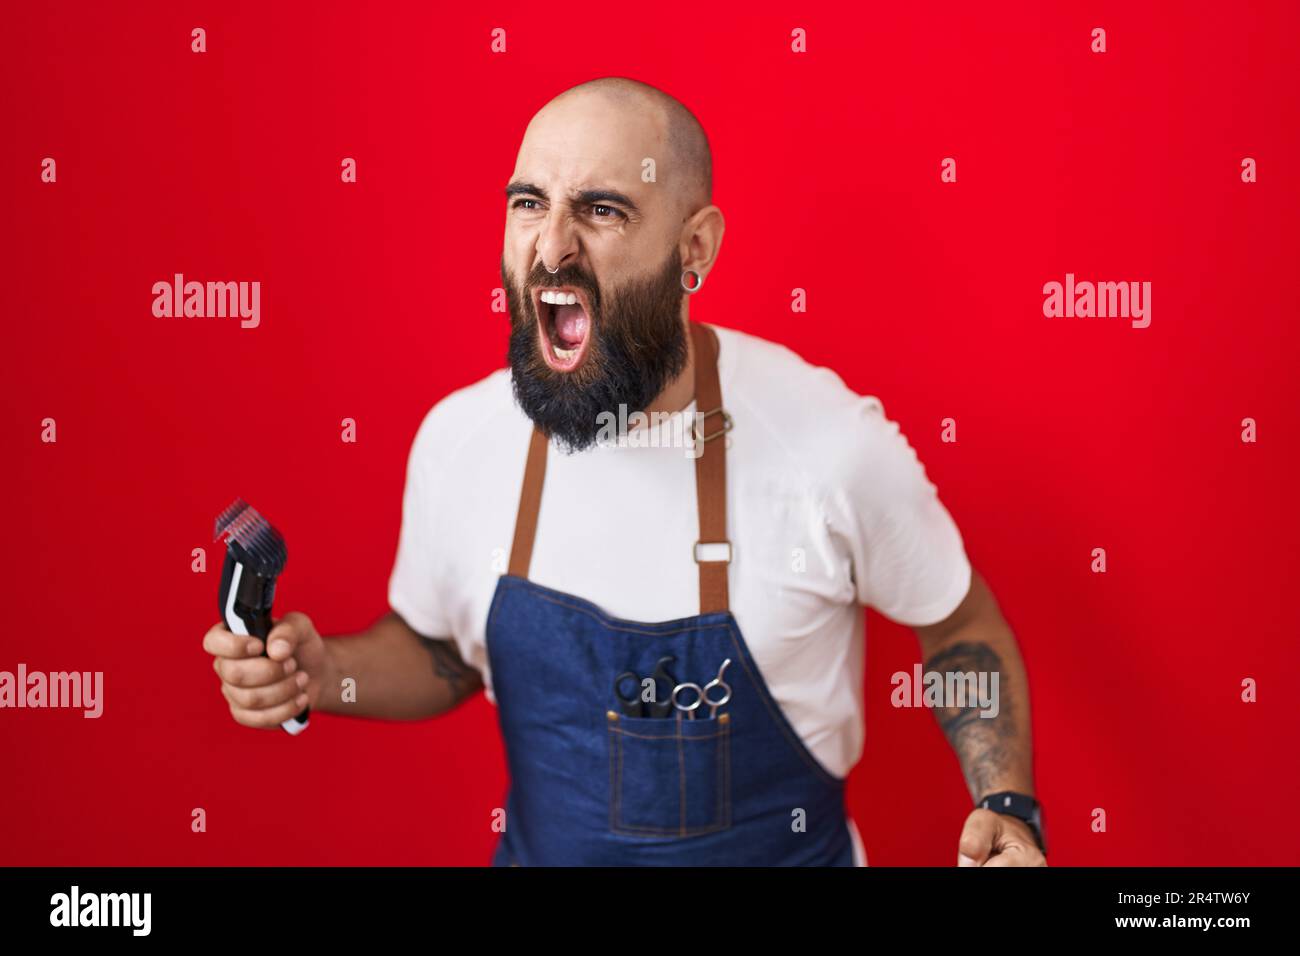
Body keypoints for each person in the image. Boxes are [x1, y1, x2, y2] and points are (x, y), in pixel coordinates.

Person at [203, 76, 1046, 867]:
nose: (551, 247)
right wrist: (323, 674)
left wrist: (1006, 806)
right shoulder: (460, 441)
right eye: (528, 203)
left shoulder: (827, 445)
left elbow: (960, 623)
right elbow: (445, 654)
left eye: (602, 210)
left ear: (695, 248)